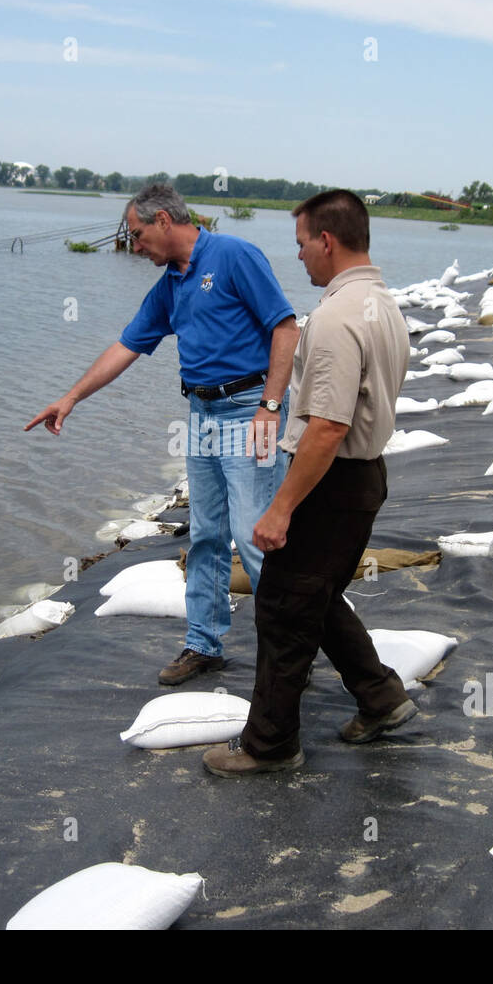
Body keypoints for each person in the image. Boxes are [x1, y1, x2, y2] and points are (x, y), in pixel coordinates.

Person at [25, 183, 298, 685]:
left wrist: (270, 406)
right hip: (201, 414)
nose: (134, 245)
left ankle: (287, 657)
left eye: (137, 234)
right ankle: (204, 644)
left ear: (165, 221)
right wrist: (70, 398)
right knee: (207, 534)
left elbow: (285, 328)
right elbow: (125, 347)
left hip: (249, 411)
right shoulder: (171, 286)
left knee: (254, 535)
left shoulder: (234, 255)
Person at [203, 189, 416, 778]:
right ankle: (381, 697)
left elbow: (325, 427)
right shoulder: (381, 304)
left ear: (327, 240)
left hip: (333, 481)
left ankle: (271, 745)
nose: (298, 256)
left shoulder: (334, 318)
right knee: (314, 600)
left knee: (281, 608)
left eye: (301, 244)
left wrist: (280, 509)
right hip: (362, 477)